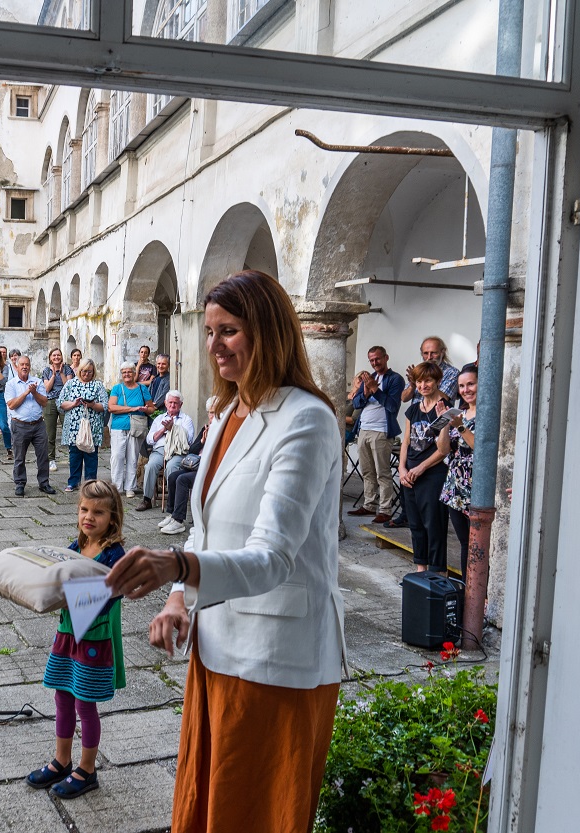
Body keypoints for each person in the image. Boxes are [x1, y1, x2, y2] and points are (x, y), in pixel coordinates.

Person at [105, 270, 344, 833]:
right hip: (215, 648)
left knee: (255, 811)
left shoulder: (306, 420)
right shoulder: (229, 412)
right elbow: (202, 531)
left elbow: (273, 557)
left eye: (229, 331)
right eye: (209, 332)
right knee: (208, 803)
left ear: (268, 332)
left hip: (274, 658)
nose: (214, 346)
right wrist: (177, 601)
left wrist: (179, 566)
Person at [28, 479, 126, 798]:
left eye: (98, 512)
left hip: (93, 640)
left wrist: (85, 597)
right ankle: (61, 760)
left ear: (112, 517)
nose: (89, 517)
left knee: (85, 703)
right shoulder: (76, 546)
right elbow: (60, 577)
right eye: (84, 509)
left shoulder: (114, 555)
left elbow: (112, 595)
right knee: (62, 696)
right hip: (67, 635)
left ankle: (87, 769)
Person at [399, 362, 451, 573]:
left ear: (438, 381)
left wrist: (420, 468)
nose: (423, 385)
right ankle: (421, 568)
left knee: (434, 524)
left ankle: (437, 571)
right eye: (419, 381)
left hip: (431, 473)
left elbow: (443, 449)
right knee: (416, 524)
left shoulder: (443, 408)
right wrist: (402, 469)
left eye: (428, 380)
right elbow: (406, 441)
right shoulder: (413, 409)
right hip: (409, 474)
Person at [348, 346, 406, 524]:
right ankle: (369, 504)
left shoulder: (395, 379)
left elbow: (392, 406)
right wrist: (365, 392)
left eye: (378, 359)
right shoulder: (369, 378)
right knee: (367, 471)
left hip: (381, 431)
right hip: (363, 429)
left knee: (383, 472)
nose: (375, 363)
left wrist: (376, 390)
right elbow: (356, 404)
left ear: (386, 357)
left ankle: (385, 509)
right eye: (371, 360)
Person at [437, 363, 478, 583]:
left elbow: (479, 447)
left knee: (479, 543)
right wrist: (445, 423)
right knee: (464, 543)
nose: (465, 390)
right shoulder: (459, 413)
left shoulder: (488, 414)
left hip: (477, 487)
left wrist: (461, 427)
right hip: (455, 488)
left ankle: (484, 594)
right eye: (462, 386)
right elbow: (443, 450)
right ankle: (468, 590)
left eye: (471, 384)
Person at [159, 397, 219, 535]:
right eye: (210, 413)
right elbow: (191, 450)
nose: (212, 416)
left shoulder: (222, 432)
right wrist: (203, 441)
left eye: (216, 412)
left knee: (183, 479)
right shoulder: (206, 428)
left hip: (210, 471)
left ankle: (178, 521)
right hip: (196, 467)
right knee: (174, 476)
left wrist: (210, 442)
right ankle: (172, 514)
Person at [5, 355, 57, 496]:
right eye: (22, 364)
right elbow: (12, 405)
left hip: (38, 424)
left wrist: (34, 392)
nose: (24, 367)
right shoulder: (11, 384)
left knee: (43, 455)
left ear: (30, 366)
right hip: (20, 425)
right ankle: (20, 483)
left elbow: (44, 402)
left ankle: (44, 483)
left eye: (27, 364)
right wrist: (26, 392)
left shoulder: (38, 382)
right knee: (19, 456)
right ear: (17, 366)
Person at [136, 391, 195, 511]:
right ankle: (147, 500)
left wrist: (174, 428)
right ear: (165, 403)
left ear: (181, 404)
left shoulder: (186, 420)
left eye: (176, 403)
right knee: (150, 466)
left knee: (172, 467)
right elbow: (150, 439)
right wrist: (164, 429)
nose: (173, 405)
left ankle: (173, 502)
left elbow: (189, 440)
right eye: (170, 402)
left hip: (177, 452)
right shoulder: (159, 419)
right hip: (160, 450)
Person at [58, 359, 108, 492]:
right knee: (74, 454)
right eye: (84, 371)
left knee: (91, 454)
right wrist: (74, 404)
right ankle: (73, 482)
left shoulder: (98, 385)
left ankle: (90, 483)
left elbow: (104, 406)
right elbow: (61, 402)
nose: (86, 374)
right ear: (80, 371)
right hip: (74, 426)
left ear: (93, 372)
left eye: (89, 371)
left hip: (92, 427)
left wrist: (92, 405)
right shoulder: (71, 383)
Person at [107, 363, 154, 499]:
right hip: (118, 426)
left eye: (129, 372)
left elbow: (151, 408)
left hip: (137, 427)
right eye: (124, 372)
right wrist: (132, 409)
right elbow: (111, 407)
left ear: (134, 373)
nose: (127, 374)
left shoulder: (142, 388)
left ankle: (130, 487)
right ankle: (116, 487)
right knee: (117, 456)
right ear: (122, 374)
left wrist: (145, 410)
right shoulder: (117, 388)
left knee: (132, 457)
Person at [41, 347, 75, 473]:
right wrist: (54, 374)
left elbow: (69, 386)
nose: (56, 357)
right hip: (50, 402)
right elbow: (47, 389)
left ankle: (72, 456)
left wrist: (61, 373)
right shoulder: (46, 371)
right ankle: (51, 459)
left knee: (69, 430)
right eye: (54, 355)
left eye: (58, 355)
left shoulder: (67, 369)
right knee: (50, 432)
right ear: (50, 358)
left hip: (65, 402)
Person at [401, 336, 459, 404]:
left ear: (443, 352)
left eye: (434, 353)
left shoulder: (452, 373)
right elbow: (403, 398)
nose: (429, 357)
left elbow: (443, 399)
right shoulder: (420, 370)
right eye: (425, 353)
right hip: (416, 413)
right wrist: (412, 385)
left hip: (437, 414)